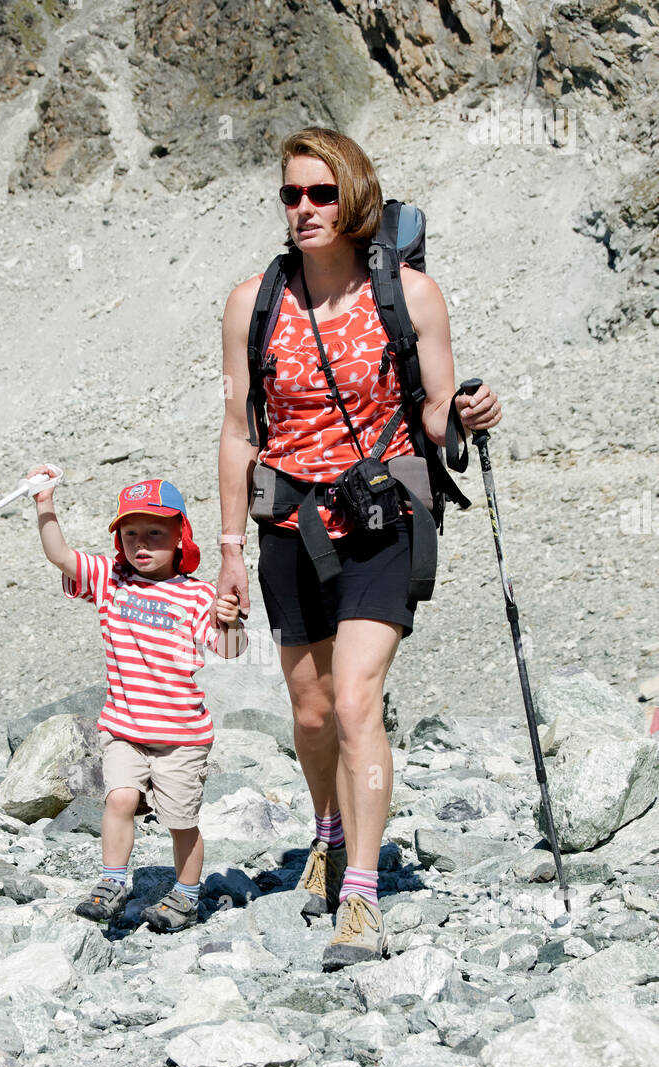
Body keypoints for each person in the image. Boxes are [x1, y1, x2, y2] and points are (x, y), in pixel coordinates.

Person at [215, 127, 502, 970]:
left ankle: (363, 899)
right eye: (290, 195)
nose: (303, 209)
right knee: (307, 713)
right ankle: (326, 833)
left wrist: (471, 416)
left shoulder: (410, 295)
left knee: (351, 703)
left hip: (384, 519)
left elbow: (437, 413)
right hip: (285, 525)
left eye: (320, 193)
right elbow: (239, 431)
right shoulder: (251, 302)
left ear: (354, 197)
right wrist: (229, 550)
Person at [31, 470, 247, 931]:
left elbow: (228, 651)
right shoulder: (110, 580)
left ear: (180, 536)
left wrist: (230, 622)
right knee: (120, 798)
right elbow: (59, 555)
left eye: (155, 532)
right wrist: (44, 502)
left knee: (180, 820)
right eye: (130, 534)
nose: (141, 544)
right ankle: (112, 882)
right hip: (124, 728)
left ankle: (187, 894)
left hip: (181, 737)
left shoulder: (197, 595)